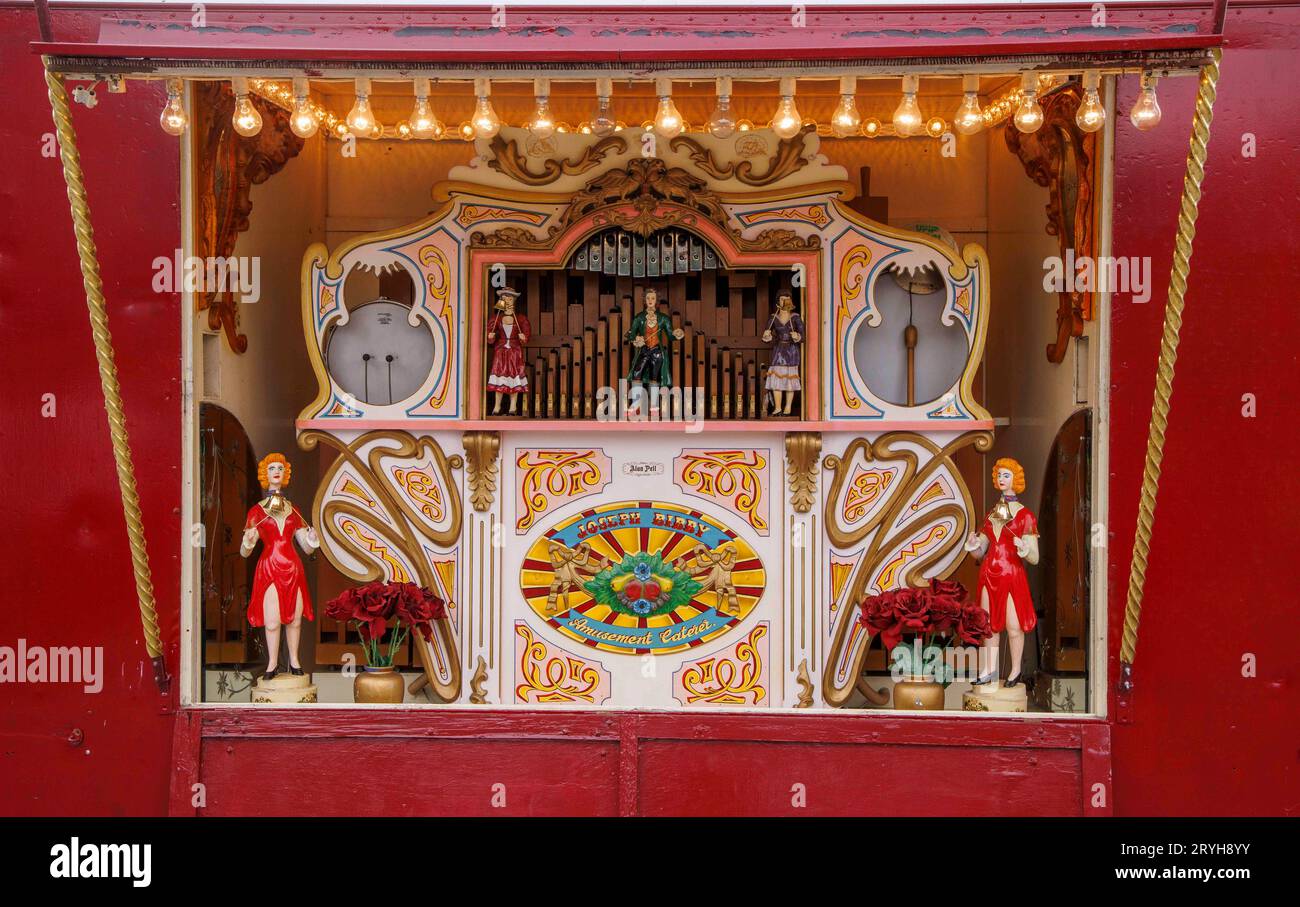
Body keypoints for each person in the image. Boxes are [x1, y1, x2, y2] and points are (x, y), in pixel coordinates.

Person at [241, 453, 319, 681]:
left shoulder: (293, 510)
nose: (277, 472)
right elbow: (245, 551)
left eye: (281, 468)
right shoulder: (257, 511)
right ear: (266, 474)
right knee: (273, 620)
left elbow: (306, 547)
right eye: (272, 468)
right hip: (270, 567)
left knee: (295, 619)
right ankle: (272, 663)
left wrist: (312, 538)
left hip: (293, 567)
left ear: (285, 474)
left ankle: (294, 660)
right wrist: (249, 539)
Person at [963, 457, 1039, 688]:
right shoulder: (995, 513)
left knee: (1014, 626)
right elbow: (981, 551)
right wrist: (974, 544)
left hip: (1011, 574)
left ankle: (1015, 670)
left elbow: (1034, 557)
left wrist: (1025, 549)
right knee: (989, 625)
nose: (1001, 478)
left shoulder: (1025, 516)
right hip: (990, 572)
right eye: (999, 475)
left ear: (1016, 479)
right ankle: (989, 669)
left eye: (1006, 475)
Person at [486, 286, 531, 415]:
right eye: (505, 298)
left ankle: (513, 407)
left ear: (514, 300)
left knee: (514, 378)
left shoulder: (521, 319)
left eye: (510, 298)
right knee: (499, 377)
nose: (507, 300)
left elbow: (526, 337)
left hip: (515, 351)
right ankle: (497, 407)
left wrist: (524, 337)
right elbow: (490, 337)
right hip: (500, 351)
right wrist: (490, 337)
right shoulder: (496, 318)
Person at [762, 292, 804, 416]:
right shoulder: (773, 317)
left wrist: (798, 336)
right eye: (782, 299)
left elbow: (803, 335)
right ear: (778, 302)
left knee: (790, 380)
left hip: (791, 351)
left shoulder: (795, 317)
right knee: (777, 380)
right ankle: (778, 407)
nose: (785, 301)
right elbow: (769, 334)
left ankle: (788, 408)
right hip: (779, 350)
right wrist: (767, 336)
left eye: (787, 299)